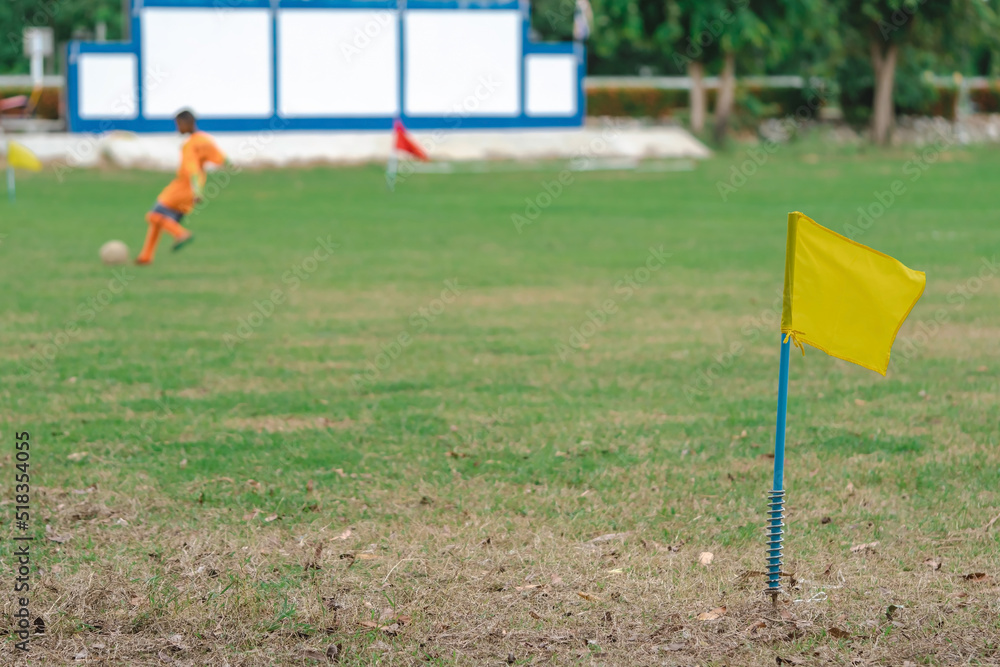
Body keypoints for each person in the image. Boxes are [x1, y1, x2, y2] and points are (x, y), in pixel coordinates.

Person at [136, 109, 226, 265]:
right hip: (193, 187)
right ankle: (146, 257)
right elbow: (222, 159)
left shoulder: (189, 145)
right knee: (159, 220)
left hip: (183, 187)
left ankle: (181, 234)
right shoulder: (205, 140)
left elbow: (193, 170)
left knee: (153, 216)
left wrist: (197, 192)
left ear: (187, 123)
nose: (177, 128)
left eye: (178, 124)